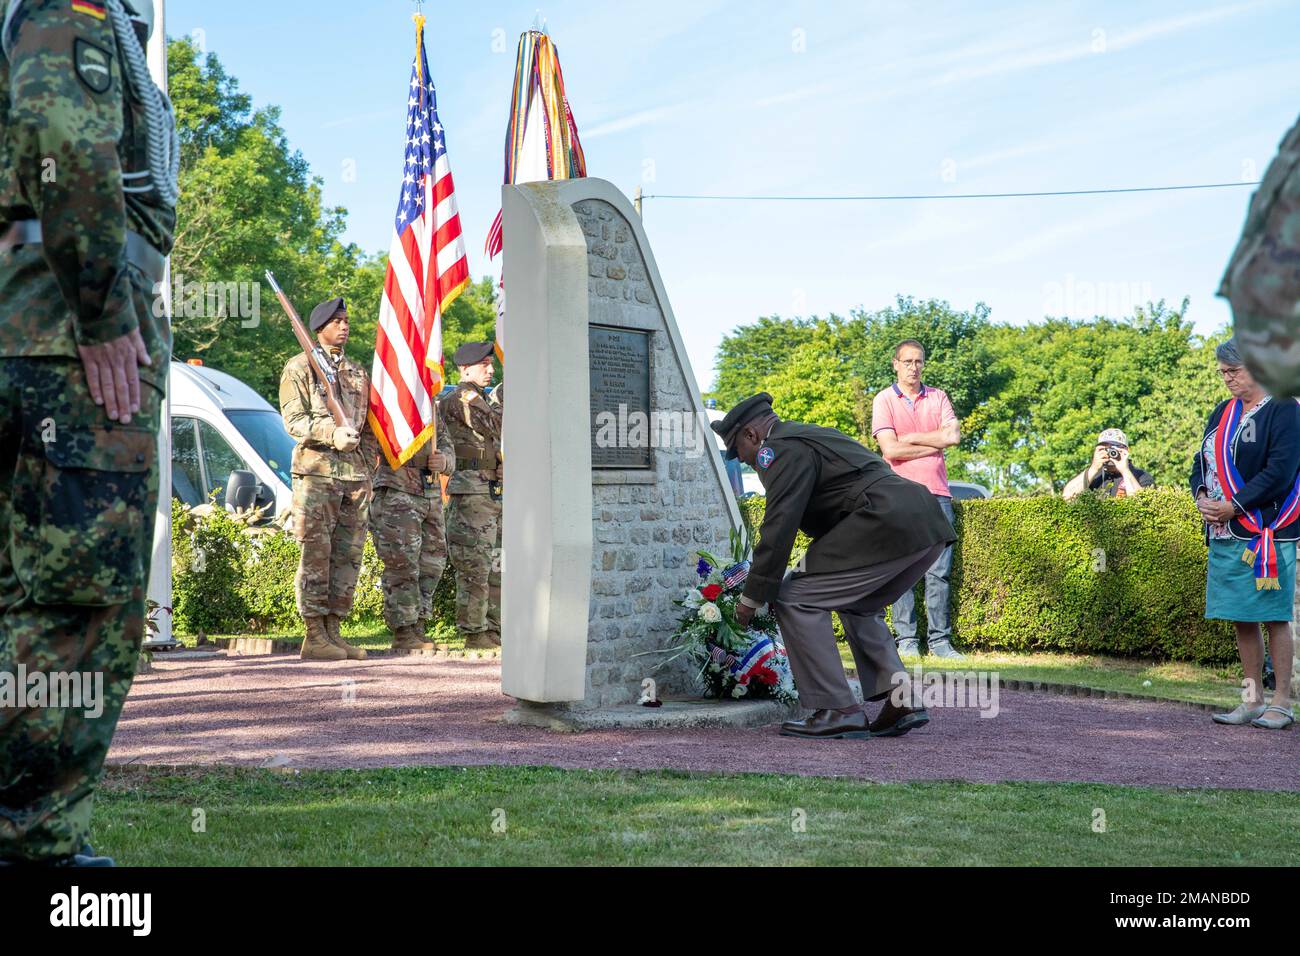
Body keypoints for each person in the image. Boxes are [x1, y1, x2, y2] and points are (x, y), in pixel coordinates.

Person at [0, 0, 176, 866]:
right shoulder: (65, 5)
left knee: (27, 594)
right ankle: (31, 847)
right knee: (73, 606)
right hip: (64, 336)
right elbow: (62, 136)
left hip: (35, 319)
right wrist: (105, 311)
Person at [715, 393, 957, 740]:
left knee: (793, 597)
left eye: (743, 455)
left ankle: (838, 710)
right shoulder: (808, 434)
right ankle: (900, 699)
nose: (750, 464)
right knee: (858, 604)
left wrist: (749, 601)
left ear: (752, 435)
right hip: (922, 523)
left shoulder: (778, 450)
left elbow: (778, 527)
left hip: (884, 522)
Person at [1192, 338, 1297, 730]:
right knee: (1241, 616)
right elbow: (1199, 463)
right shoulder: (1223, 412)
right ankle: (1252, 699)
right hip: (1223, 531)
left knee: (1273, 615)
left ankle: (1282, 702)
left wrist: (1234, 505)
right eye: (1222, 372)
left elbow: (1281, 471)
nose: (1227, 378)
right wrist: (1202, 494)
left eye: (1233, 371)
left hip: (1267, 532)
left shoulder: (1284, 409)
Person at [278, 297, 371, 662]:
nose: (344, 326)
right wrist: (330, 433)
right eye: (337, 321)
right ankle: (314, 634)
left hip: (353, 475)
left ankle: (334, 630)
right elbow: (294, 421)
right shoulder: (299, 367)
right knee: (317, 552)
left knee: (347, 554)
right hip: (317, 474)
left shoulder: (356, 371)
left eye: (347, 320)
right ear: (320, 329)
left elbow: (365, 423)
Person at [870, 339, 963, 658]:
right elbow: (890, 449)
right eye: (907, 361)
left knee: (939, 570)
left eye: (919, 361)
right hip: (900, 494)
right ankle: (907, 641)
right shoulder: (884, 400)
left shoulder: (938, 397)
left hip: (937, 493)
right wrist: (933, 445)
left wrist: (910, 438)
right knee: (902, 569)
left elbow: (953, 436)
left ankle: (940, 642)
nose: (914, 367)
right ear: (895, 364)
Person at [361, 402, 455, 651]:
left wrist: (444, 461)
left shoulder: (429, 405)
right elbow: (369, 448)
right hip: (397, 488)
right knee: (402, 562)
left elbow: (447, 444)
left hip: (430, 491)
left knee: (432, 562)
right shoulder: (390, 399)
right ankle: (403, 629)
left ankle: (418, 625)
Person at [440, 341, 503, 650]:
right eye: (484, 365)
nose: (491, 369)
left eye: (491, 364)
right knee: (475, 566)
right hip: (471, 491)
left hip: (492, 489)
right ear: (465, 369)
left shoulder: (485, 399)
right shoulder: (459, 398)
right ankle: (474, 631)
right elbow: (496, 425)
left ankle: (494, 627)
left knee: (497, 565)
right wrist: (507, 397)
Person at [1061, 428, 1155, 500]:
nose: (1109, 453)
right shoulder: (1093, 476)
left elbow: (1142, 504)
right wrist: (1093, 468)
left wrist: (1124, 470)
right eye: (1104, 449)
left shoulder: (1141, 476)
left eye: (1114, 448)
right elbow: (1067, 498)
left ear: (1125, 450)